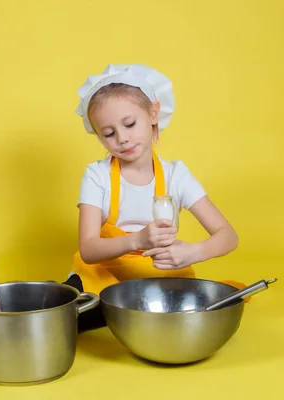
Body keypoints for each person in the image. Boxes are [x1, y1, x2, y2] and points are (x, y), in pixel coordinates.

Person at [63, 64, 243, 331]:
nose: (122, 139)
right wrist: (138, 239)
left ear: (153, 114)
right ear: (99, 137)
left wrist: (194, 252)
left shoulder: (176, 176)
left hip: (162, 280)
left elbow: (228, 236)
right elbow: (89, 249)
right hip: (104, 278)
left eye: (130, 124)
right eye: (109, 134)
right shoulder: (97, 176)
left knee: (194, 314)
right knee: (66, 312)